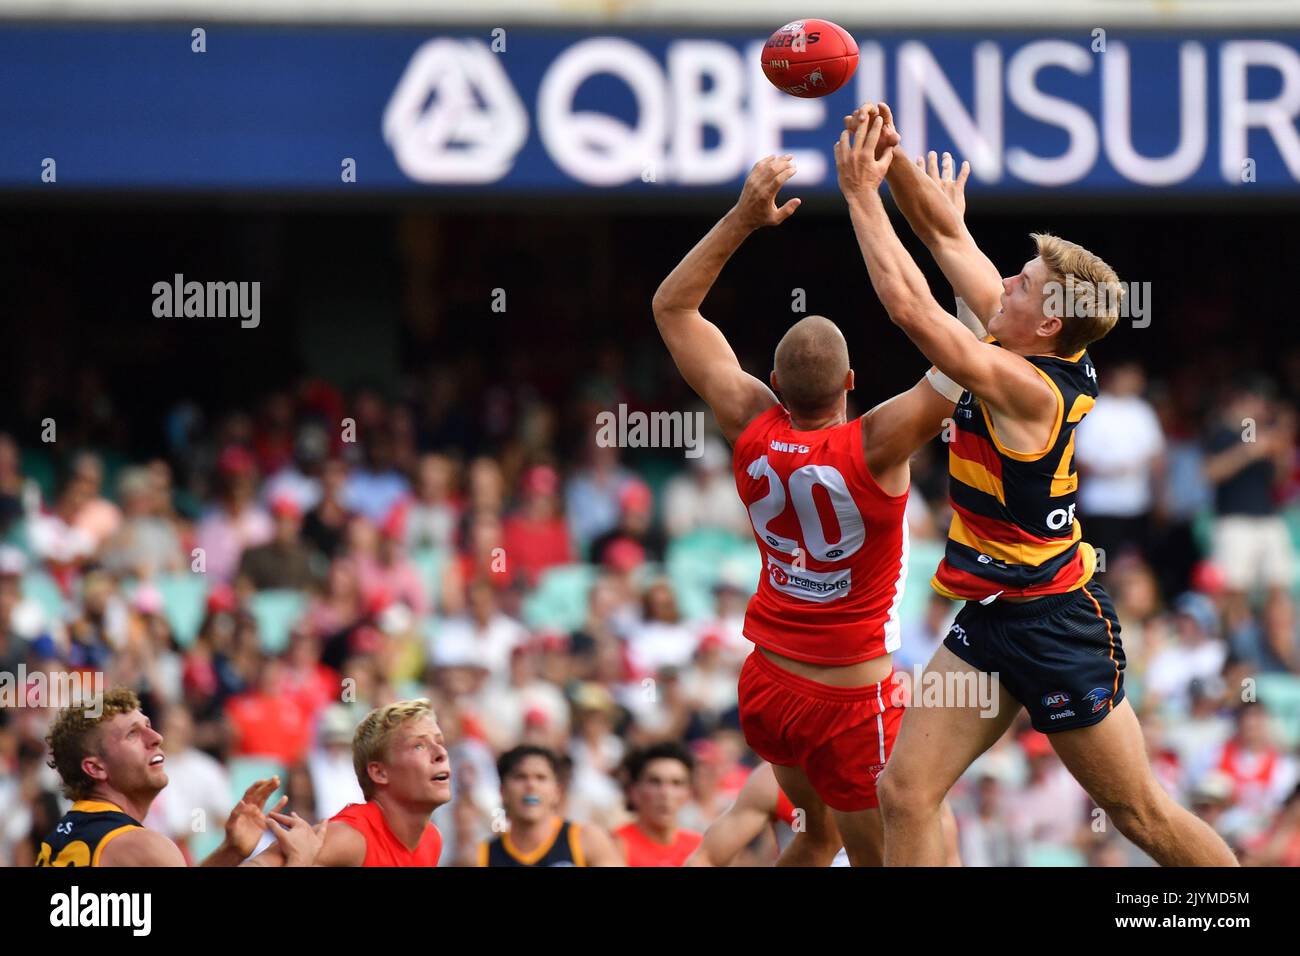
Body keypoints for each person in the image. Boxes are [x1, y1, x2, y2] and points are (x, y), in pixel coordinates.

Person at [835, 101, 1236, 866]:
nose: (1003, 289)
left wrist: (858, 194)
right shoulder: (1018, 336)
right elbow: (947, 235)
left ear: (1048, 322)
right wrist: (896, 159)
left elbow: (910, 308)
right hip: (990, 613)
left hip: (1057, 623)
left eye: (1019, 286)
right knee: (906, 793)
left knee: (1139, 814)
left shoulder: (1028, 387)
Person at [652, 145, 973, 864]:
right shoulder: (877, 445)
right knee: (895, 855)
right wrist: (947, 230)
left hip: (767, 679)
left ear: (769, 378)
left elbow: (671, 307)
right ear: (854, 380)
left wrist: (741, 218)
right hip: (850, 703)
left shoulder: (748, 418)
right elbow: (966, 350)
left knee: (816, 834)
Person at [37, 687, 318, 867]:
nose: (157, 738)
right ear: (96, 768)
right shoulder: (142, 846)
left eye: (148, 725)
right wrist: (299, 860)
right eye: (133, 734)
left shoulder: (61, 837)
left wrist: (231, 852)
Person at [249, 698, 450, 867]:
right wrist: (231, 851)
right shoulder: (349, 837)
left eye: (439, 742)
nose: (441, 753)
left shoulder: (431, 839)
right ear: (379, 773)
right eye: (418, 746)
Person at [478, 745, 622, 866]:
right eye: (520, 777)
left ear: (557, 792)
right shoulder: (482, 856)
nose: (531, 785)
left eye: (541, 778)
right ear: (502, 792)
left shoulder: (586, 840)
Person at [613, 743, 703, 866]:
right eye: (655, 782)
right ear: (633, 791)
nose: (666, 793)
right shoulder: (614, 846)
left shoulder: (699, 848)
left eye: (677, 783)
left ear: (689, 793)